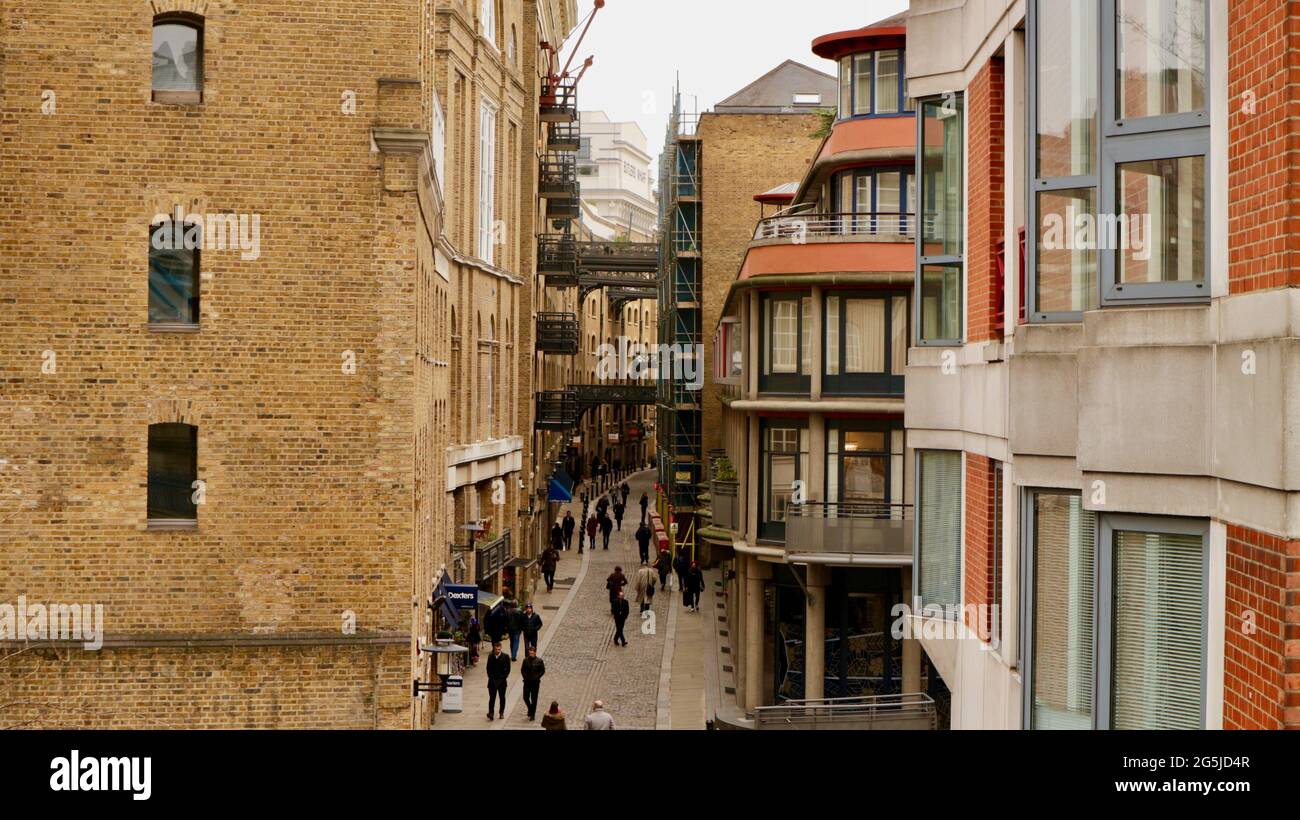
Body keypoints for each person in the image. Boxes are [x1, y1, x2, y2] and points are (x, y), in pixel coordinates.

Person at [486, 641, 510, 721]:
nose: (497, 651)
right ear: (494, 648)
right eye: (496, 649)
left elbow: (508, 669)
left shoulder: (506, 657)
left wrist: (503, 677)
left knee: (502, 698)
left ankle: (501, 712)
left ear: (501, 648)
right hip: (492, 681)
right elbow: (488, 668)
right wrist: (491, 677)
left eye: (499, 649)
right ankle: (491, 713)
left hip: (502, 681)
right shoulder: (491, 656)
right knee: (492, 698)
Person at [520, 646, 546, 721]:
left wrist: (537, 677)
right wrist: (525, 677)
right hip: (527, 682)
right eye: (530, 653)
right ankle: (530, 708)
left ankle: (532, 714)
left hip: (535, 683)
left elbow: (542, 670)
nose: (531, 654)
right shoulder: (525, 660)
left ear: (535, 652)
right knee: (525, 697)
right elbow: (522, 670)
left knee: (534, 699)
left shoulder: (539, 661)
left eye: (532, 653)